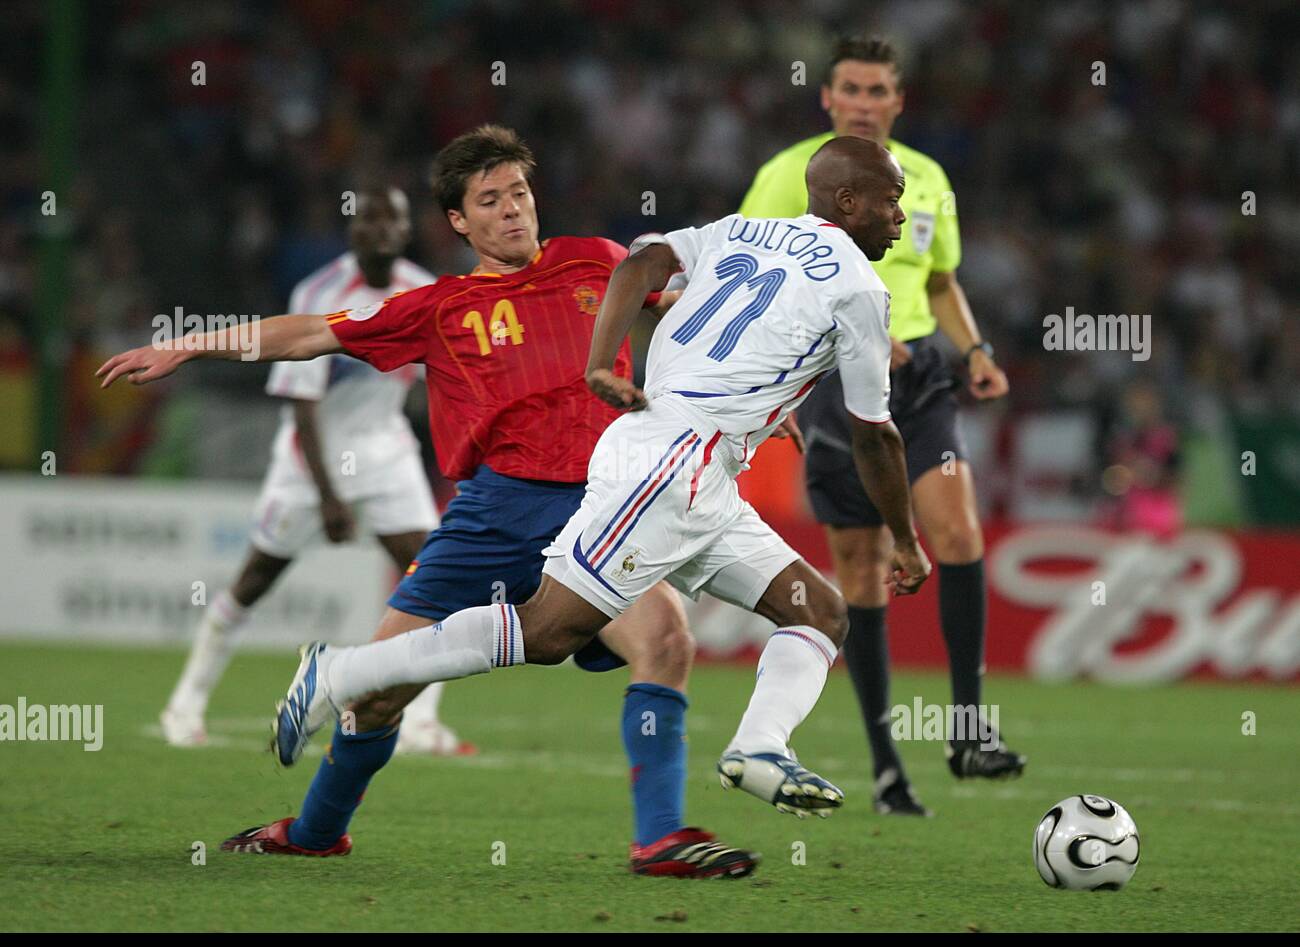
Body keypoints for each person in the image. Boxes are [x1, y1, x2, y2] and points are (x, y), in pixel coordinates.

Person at [103, 136, 932, 831]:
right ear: (459, 222)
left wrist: (757, 387)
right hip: (507, 506)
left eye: (520, 193)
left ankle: (675, 826)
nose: (513, 209)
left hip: (619, 487)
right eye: (491, 200)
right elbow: (313, 333)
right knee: (416, 680)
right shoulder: (439, 305)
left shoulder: (591, 260)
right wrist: (194, 345)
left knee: (710, 635)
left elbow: (686, 294)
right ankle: (321, 799)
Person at [739, 35, 1024, 815]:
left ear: (898, 102)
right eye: (851, 90)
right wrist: (844, 332)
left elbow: (941, 279)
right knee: (861, 570)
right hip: (834, 381)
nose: (865, 102)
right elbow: (751, 277)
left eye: (878, 91)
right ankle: (888, 767)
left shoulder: (927, 179)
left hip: (925, 374)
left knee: (957, 530)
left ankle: (966, 728)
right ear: (827, 100)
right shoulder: (787, 175)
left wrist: (976, 351)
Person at [160, 186, 469, 757]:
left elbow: (445, 383)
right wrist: (330, 497)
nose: (377, 230)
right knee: (254, 581)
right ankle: (184, 706)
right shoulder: (321, 291)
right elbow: (302, 405)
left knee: (439, 578)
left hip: (385, 455)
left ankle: (422, 722)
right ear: (351, 230)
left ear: (406, 231)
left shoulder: (424, 291)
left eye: (390, 221)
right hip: (309, 462)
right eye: (366, 220)